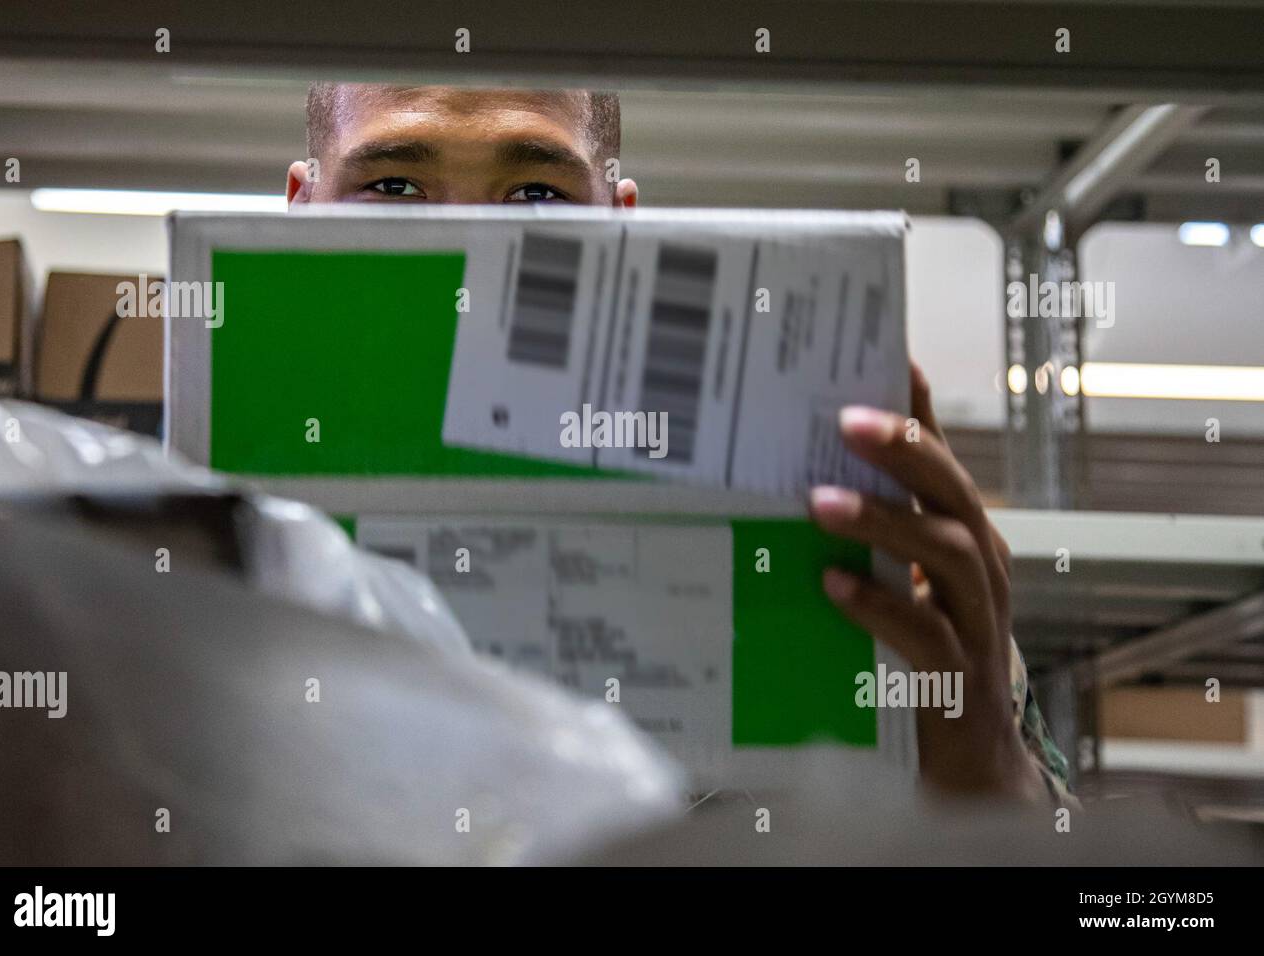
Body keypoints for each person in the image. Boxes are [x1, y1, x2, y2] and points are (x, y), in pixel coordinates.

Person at [287, 83, 1073, 805]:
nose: (468, 255)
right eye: (391, 187)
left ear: (621, 222)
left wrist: (991, 784)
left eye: (536, 194)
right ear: (297, 210)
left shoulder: (841, 553)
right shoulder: (197, 540)